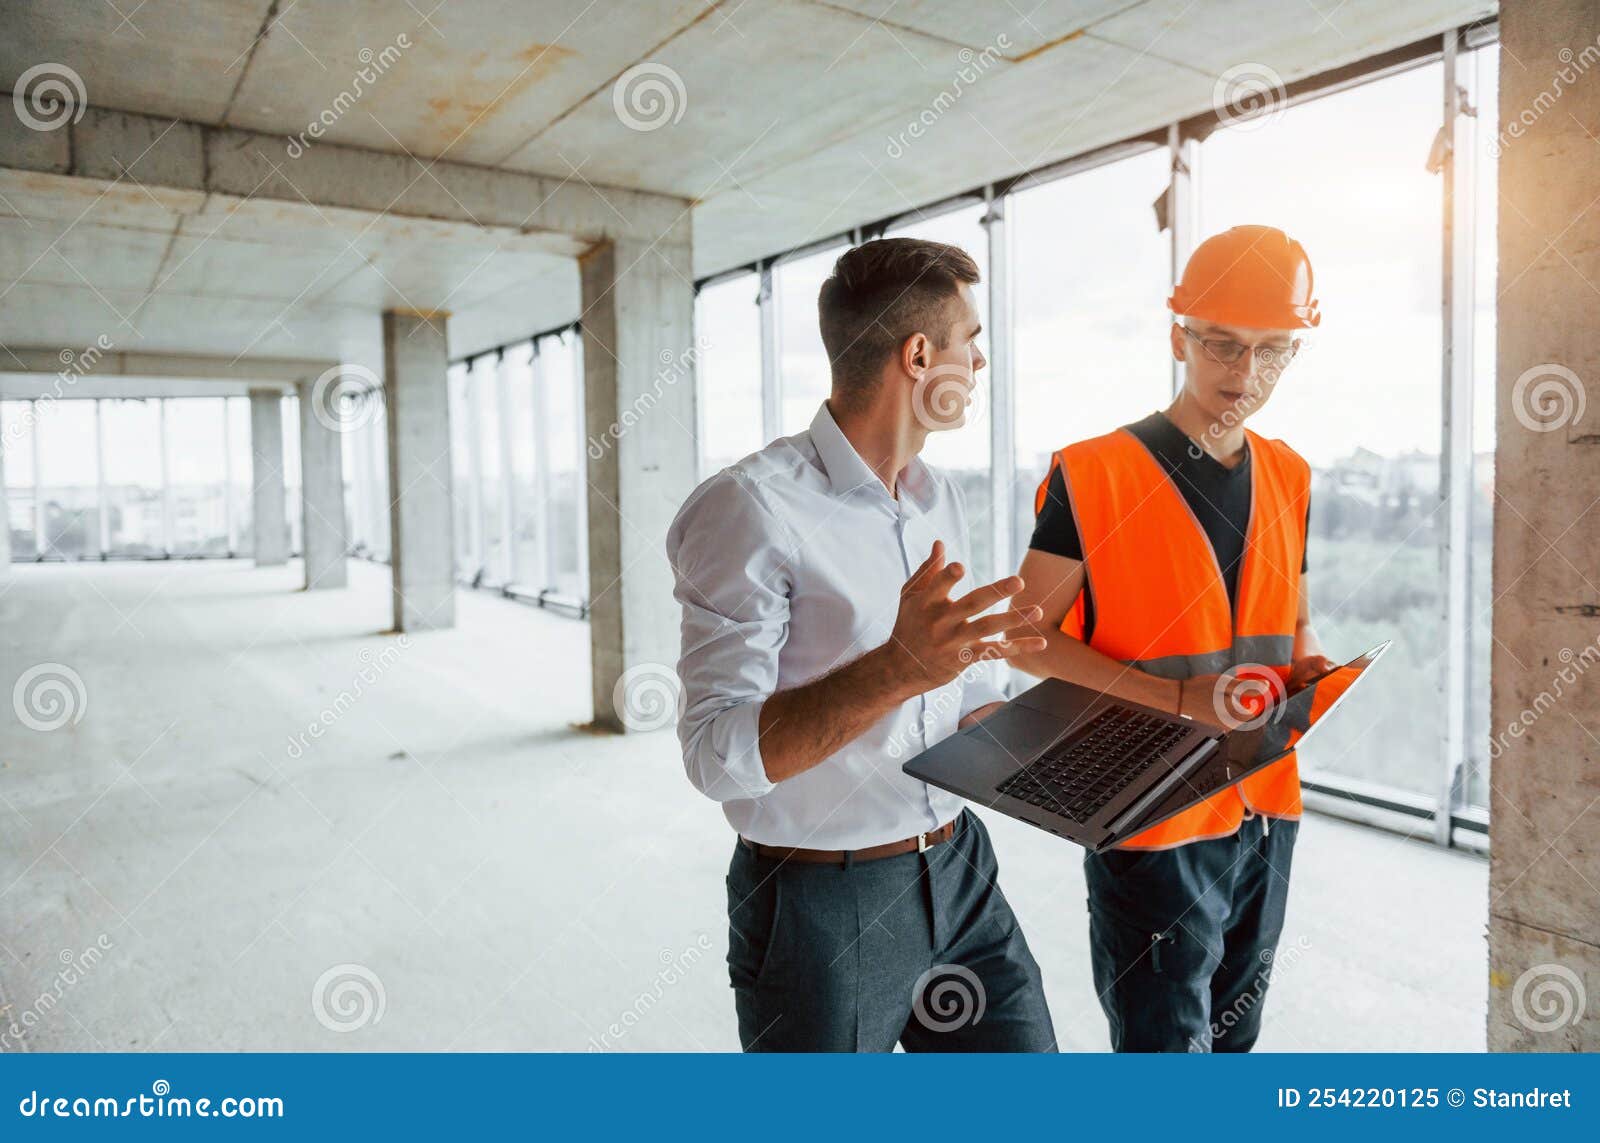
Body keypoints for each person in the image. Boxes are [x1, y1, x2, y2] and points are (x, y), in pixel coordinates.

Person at [667, 238, 1057, 1052]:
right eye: (969, 342)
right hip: (820, 904)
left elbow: (946, 688)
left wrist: (1038, 743)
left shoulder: (936, 494)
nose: (980, 363)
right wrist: (895, 670)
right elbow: (715, 756)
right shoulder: (748, 508)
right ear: (920, 355)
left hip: (959, 869)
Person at [1011, 225, 1336, 1053]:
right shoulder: (1094, 473)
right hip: (1148, 809)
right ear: (1177, 336)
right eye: (1223, 345)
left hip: (1264, 800)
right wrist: (1179, 698)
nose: (1244, 374)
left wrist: (1308, 667)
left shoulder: (1291, 474)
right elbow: (1023, 637)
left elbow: (1287, 618)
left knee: (1236, 1039)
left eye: (1272, 351)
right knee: (1163, 1051)